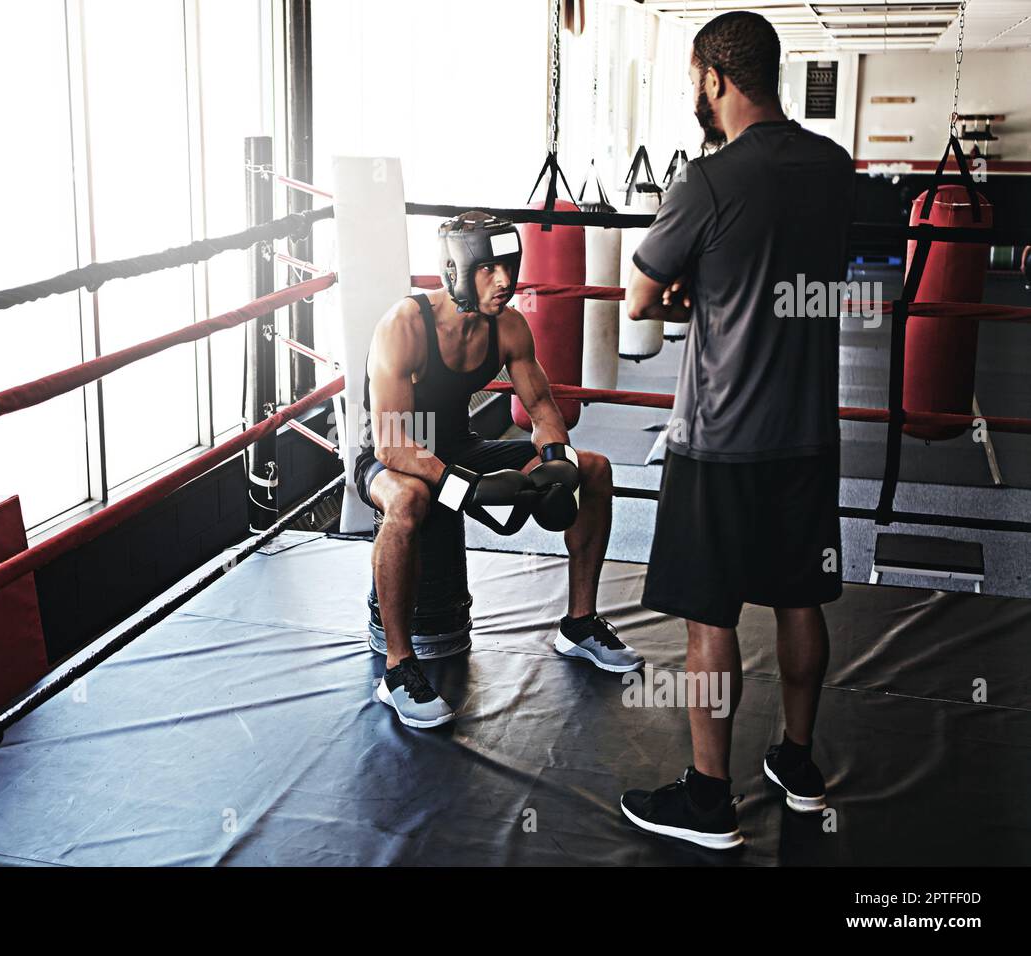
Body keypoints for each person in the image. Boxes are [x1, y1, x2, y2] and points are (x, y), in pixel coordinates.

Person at [618, 11, 854, 849]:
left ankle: (709, 798)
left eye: (694, 79)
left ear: (716, 78)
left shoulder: (707, 181)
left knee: (709, 617)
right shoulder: (835, 167)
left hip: (719, 438)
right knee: (800, 595)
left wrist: (694, 289)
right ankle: (796, 760)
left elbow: (641, 299)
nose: (695, 94)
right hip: (808, 435)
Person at [358, 210, 643, 729]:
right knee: (410, 501)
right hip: (392, 453)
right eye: (488, 269)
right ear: (455, 271)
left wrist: (556, 463)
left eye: (509, 266)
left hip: (458, 447)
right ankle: (398, 670)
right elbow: (394, 442)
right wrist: (465, 488)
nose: (506, 281)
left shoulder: (507, 325)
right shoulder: (404, 326)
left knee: (594, 469)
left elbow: (541, 408)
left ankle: (579, 623)